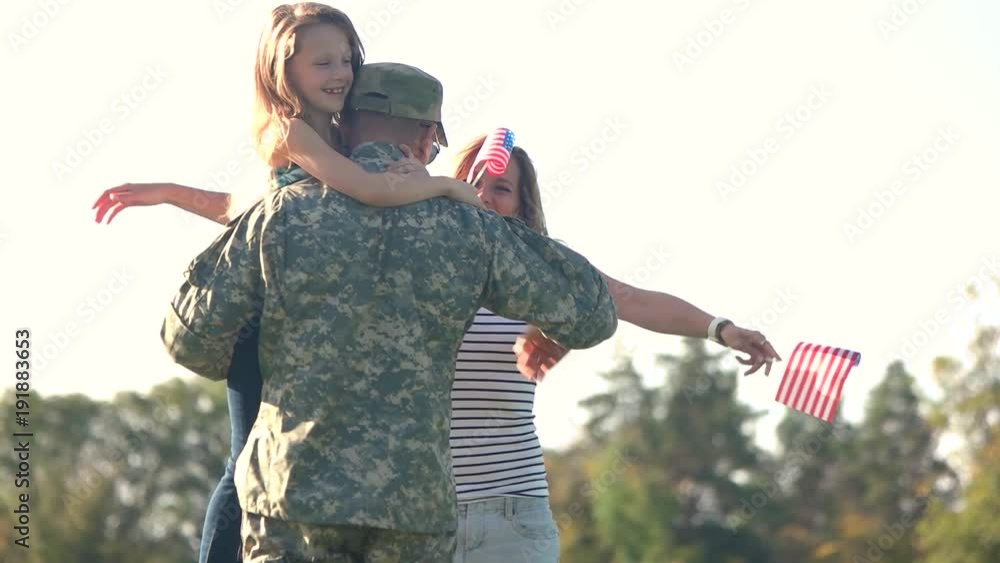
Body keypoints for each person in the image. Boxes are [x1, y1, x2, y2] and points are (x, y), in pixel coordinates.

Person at [160, 58, 619, 563]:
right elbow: (593, 312)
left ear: (344, 124)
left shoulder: (280, 214)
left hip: (292, 502)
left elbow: (188, 340)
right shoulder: (470, 228)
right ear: (425, 140)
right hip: (412, 513)